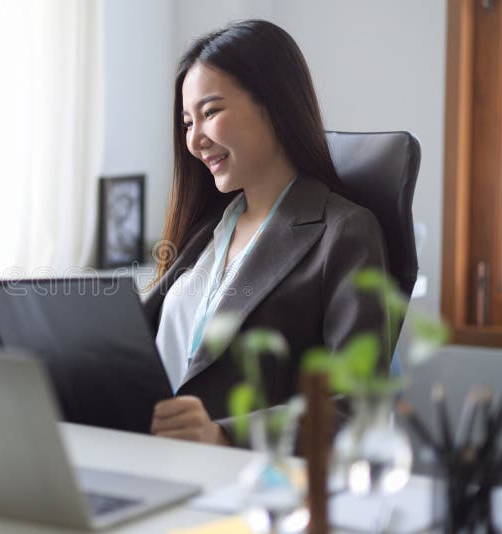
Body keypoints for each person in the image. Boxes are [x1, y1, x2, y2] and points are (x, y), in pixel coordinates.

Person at [142, 20, 389, 446]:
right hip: (150, 457)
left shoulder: (343, 233)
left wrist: (224, 436)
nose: (195, 139)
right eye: (187, 122)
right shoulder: (208, 230)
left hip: (246, 486)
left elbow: (357, 403)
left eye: (210, 112)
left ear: (273, 106)